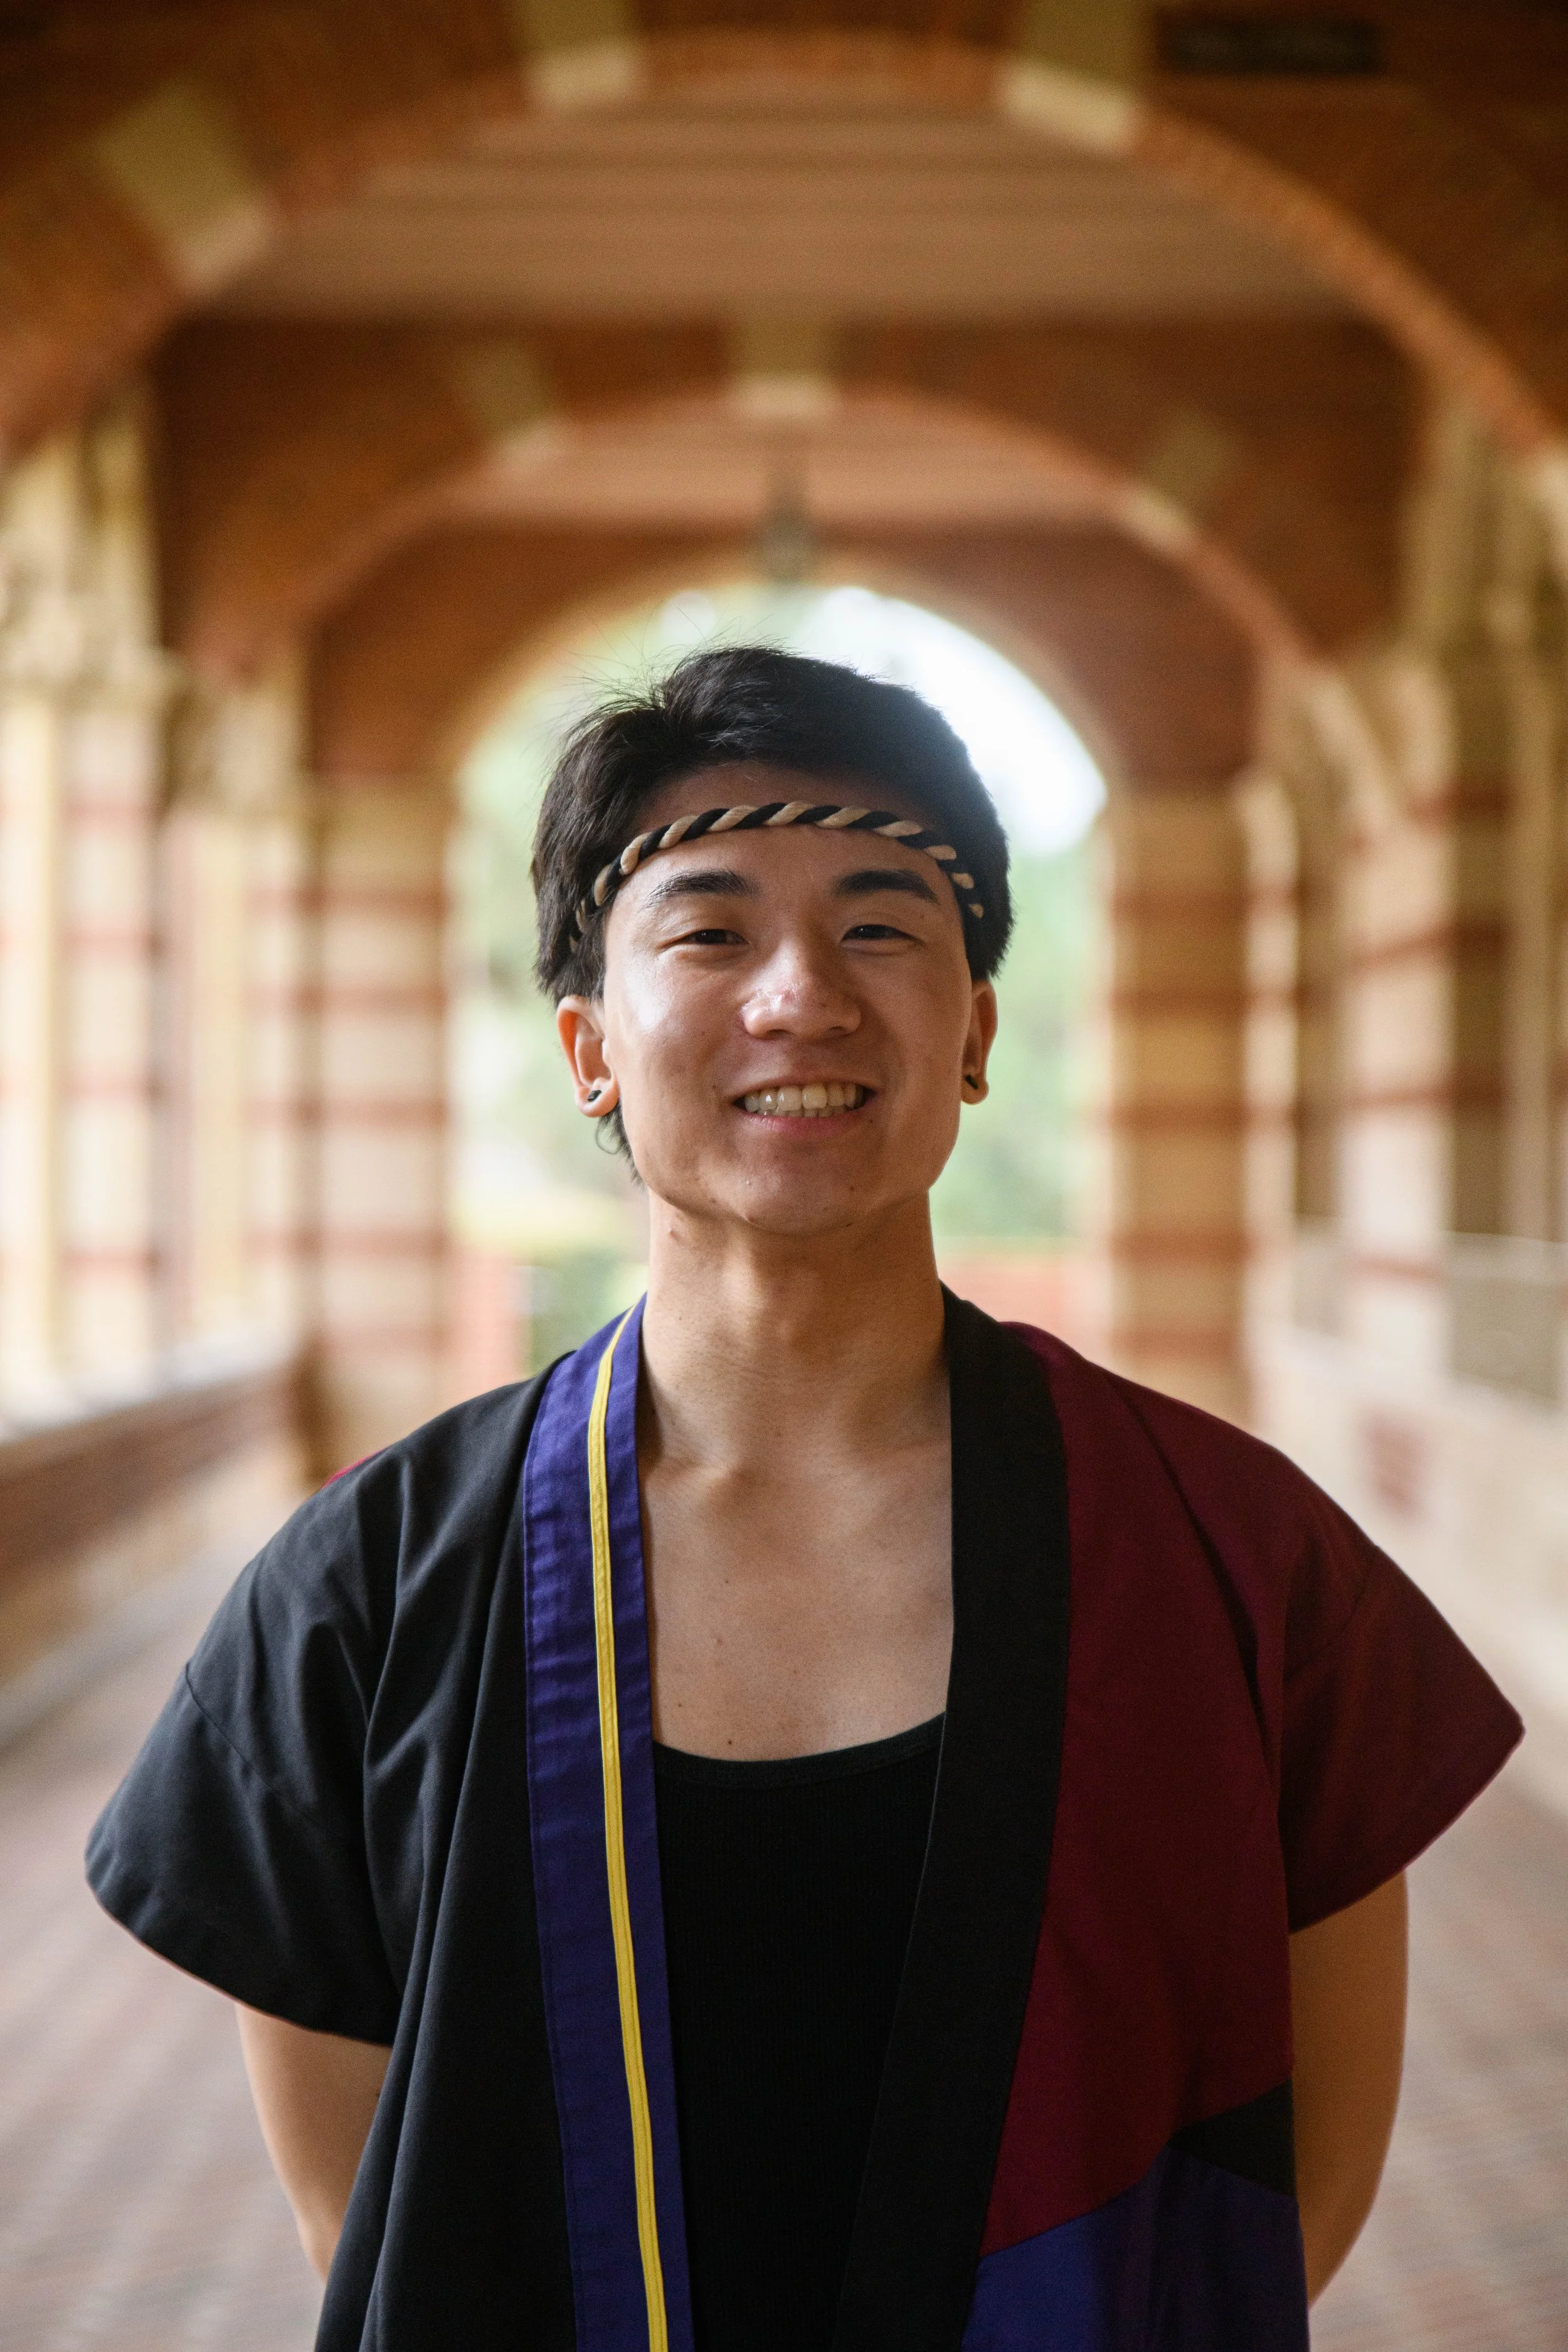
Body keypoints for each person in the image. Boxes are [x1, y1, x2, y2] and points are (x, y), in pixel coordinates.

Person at [88, 647, 1521, 2352]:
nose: (799, 996)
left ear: (976, 1030)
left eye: (880, 923)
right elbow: (373, 2193)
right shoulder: (371, 1583)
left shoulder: (1232, 1549)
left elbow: (1302, 2167)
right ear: (588, 1046)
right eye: (706, 930)